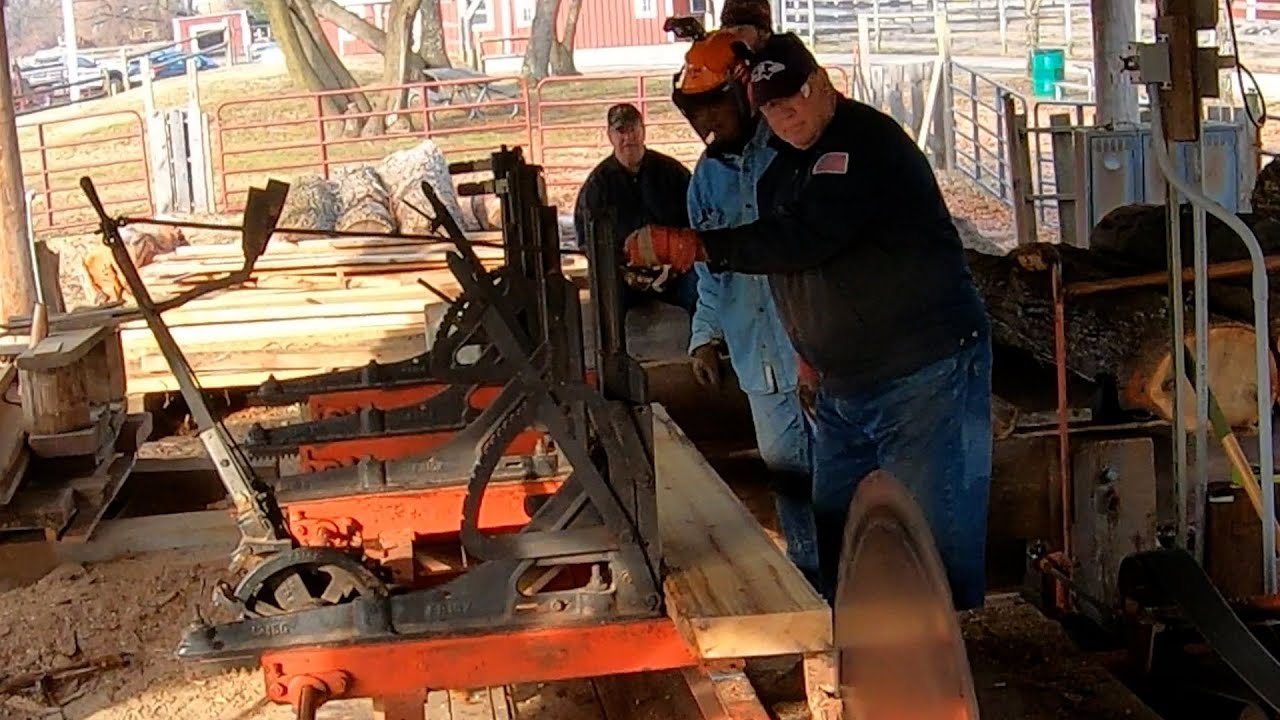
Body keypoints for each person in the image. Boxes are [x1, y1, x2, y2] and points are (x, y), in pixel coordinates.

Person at [622, 32, 993, 612]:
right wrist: (803, 354)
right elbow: (784, 271)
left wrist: (692, 246)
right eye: (771, 107)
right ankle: (852, 643)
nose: (784, 114)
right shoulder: (784, 169)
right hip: (845, 383)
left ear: (820, 85)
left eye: (793, 99)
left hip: (921, 371)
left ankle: (947, 658)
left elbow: (803, 240)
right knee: (837, 525)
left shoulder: (860, 146)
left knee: (931, 530)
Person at [673, 20, 819, 589]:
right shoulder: (705, 182)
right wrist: (704, 335)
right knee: (790, 485)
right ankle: (812, 593)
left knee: (842, 480)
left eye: (714, 107)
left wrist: (816, 353)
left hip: (814, 355)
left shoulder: (789, 156)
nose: (706, 123)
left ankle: (862, 591)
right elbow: (712, 272)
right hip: (758, 363)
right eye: (696, 112)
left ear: (742, 93)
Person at [572, 103, 699, 315]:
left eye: (633, 129)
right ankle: (612, 348)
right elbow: (587, 240)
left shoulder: (673, 173)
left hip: (674, 270)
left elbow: (697, 219)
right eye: (621, 131)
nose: (628, 137)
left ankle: (705, 344)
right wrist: (623, 269)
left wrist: (676, 260)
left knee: (704, 288)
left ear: (643, 131)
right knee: (606, 296)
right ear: (610, 136)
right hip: (625, 274)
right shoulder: (597, 185)